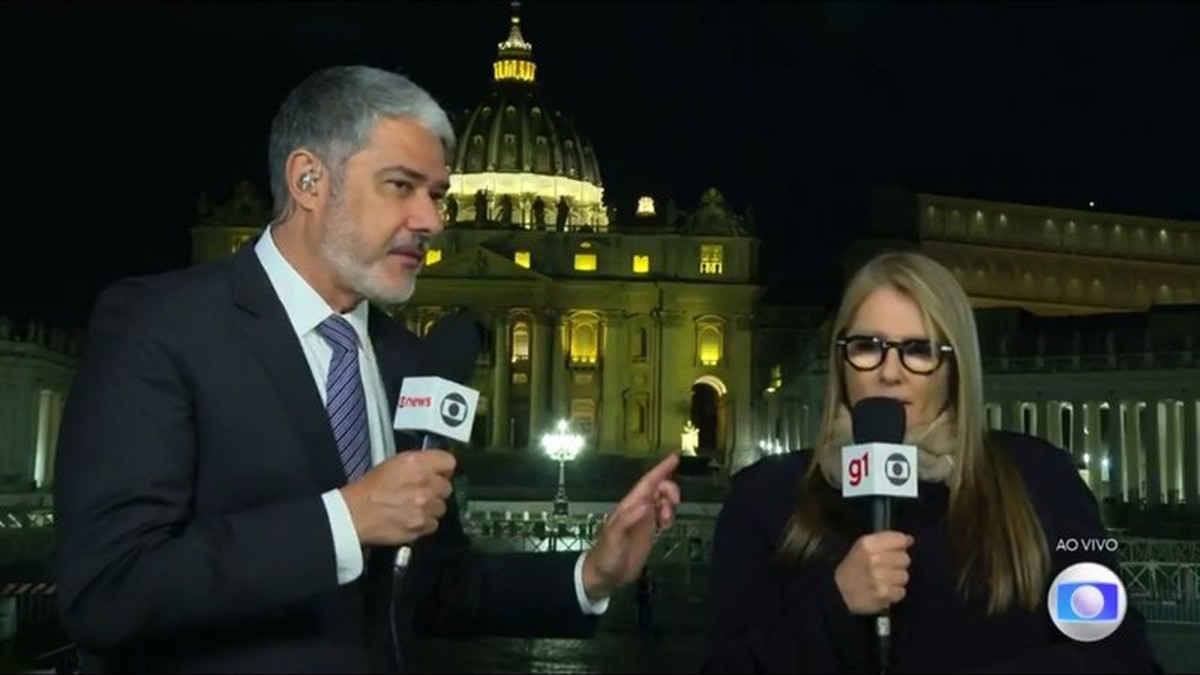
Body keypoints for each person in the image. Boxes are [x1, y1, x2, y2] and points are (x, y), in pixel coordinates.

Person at [53, 65, 680, 673]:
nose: (433, 221)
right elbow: (107, 590)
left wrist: (591, 573)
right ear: (308, 180)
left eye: (438, 195)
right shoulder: (158, 326)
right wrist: (346, 521)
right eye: (401, 186)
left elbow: (434, 586)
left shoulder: (405, 357)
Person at [701, 251, 1162, 673]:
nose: (890, 372)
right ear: (840, 360)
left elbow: (1118, 653)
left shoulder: (1043, 479)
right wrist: (835, 605)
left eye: (919, 350)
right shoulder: (764, 496)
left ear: (954, 367)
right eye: (867, 346)